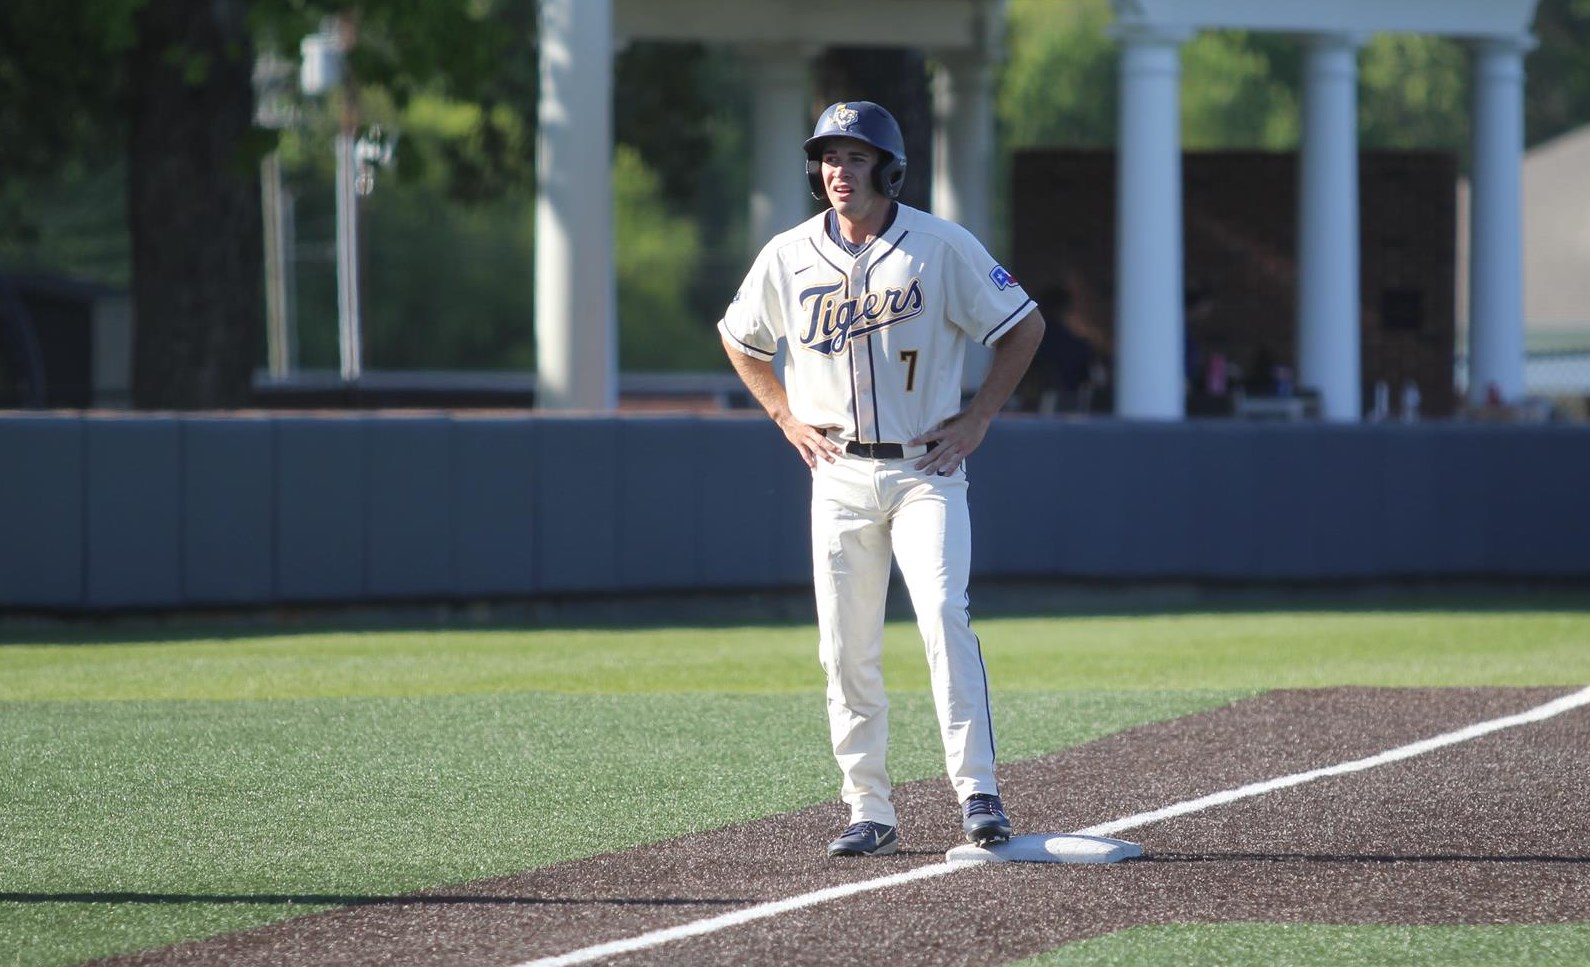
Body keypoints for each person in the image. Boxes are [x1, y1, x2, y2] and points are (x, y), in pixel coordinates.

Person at [718, 101, 1045, 858]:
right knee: (845, 645)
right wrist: (783, 415)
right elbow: (740, 338)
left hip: (926, 469)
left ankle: (978, 790)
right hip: (837, 472)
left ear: (888, 169)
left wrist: (977, 418)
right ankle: (869, 806)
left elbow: (1023, 325)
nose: (840, 171)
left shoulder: (939, 245)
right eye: (830, 157)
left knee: (941, 614)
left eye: (856, 158)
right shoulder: (789, 254)